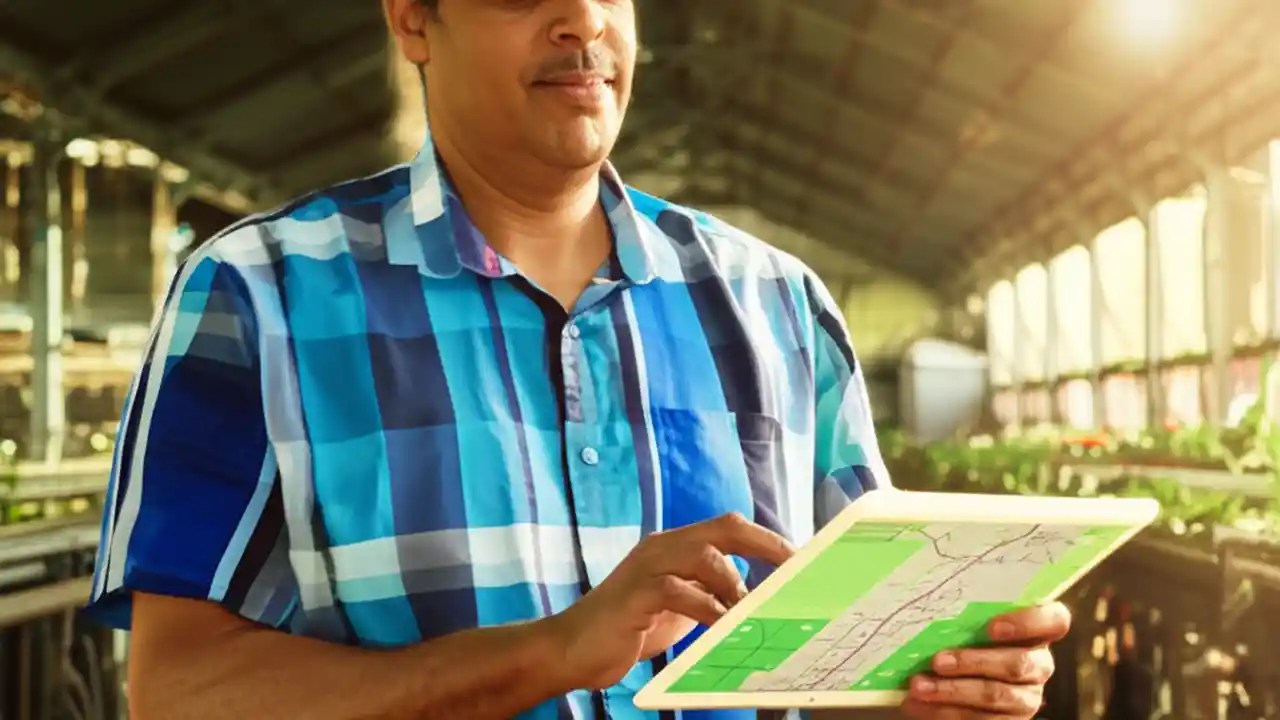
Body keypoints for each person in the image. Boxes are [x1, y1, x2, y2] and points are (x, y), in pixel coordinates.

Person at [85, 0, 1071, 718]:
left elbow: (864, 664)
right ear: (412, 21)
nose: (581, 20)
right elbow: (180, 692)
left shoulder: (776, 306)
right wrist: (549, 653)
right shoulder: (262, 296)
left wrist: (943, 681)